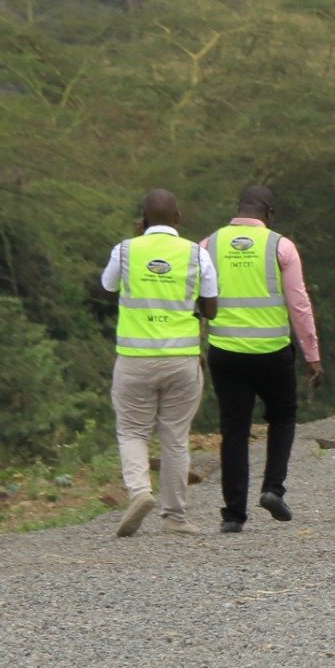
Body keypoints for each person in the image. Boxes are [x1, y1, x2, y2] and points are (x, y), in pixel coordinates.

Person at [204, 186, 322, 533]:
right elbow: (298, 303)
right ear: (269, 214)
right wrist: (312, 355)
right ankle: (272, 489)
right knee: (283, 416)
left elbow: (197, 299)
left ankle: (233, 515)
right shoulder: (281, 246)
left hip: (225, 352)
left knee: (234, 429)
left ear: (237, 210)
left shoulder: (208, 245)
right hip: (272, 352)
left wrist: (196, 347)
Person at [102, 189, 216, 537]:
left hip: (135, 360)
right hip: (181, 359)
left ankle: (140, 492)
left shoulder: (125, 250)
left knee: (132, 431)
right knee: (175, 437)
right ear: (178, 218)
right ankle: (175, 517)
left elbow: (108, 286)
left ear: (143, 220)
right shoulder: (197, 254)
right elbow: (212, 309)